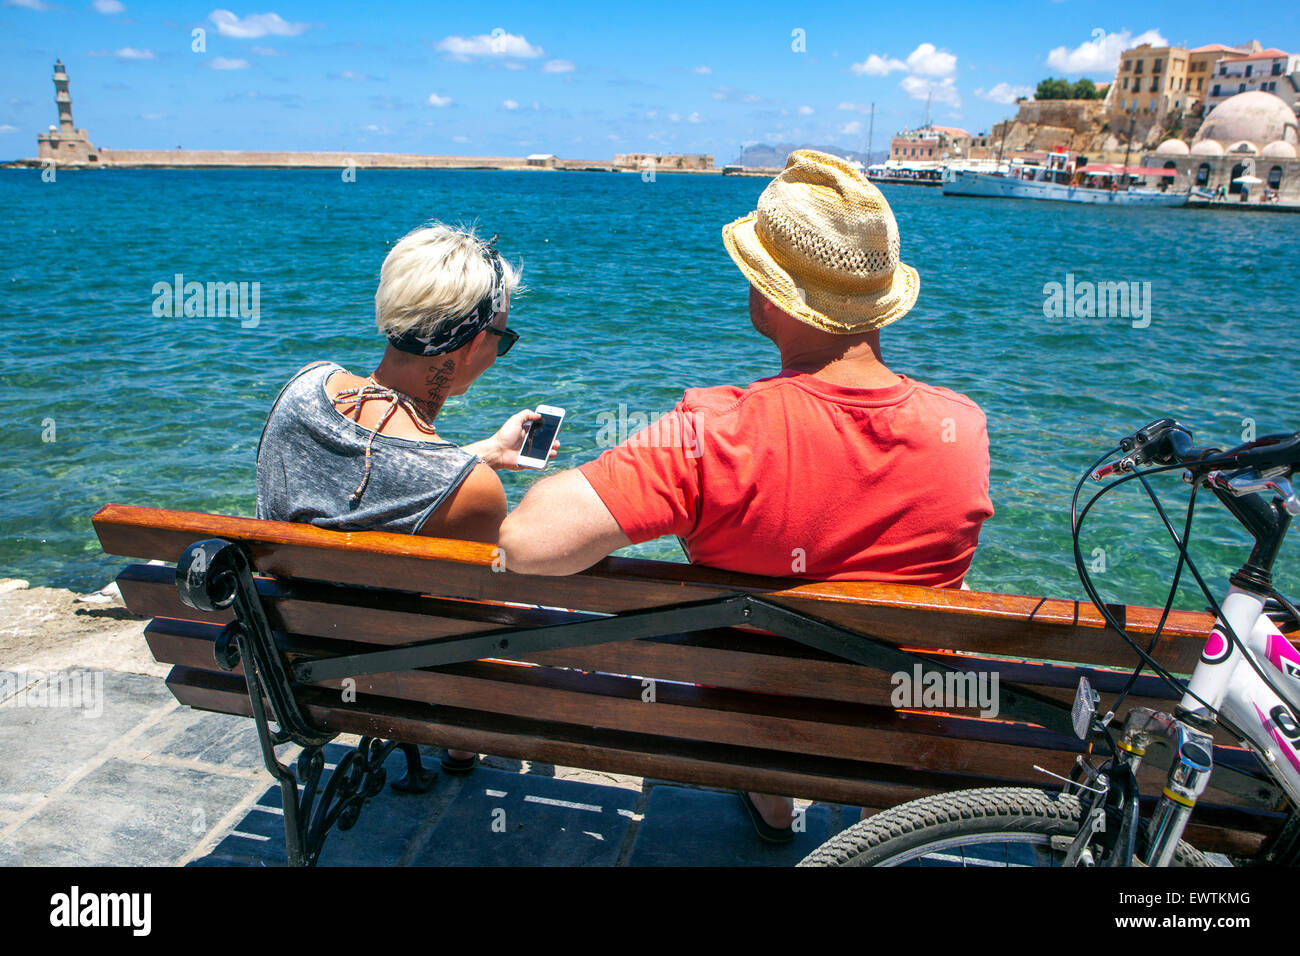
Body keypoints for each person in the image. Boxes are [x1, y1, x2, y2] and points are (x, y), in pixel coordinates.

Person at [497, 150, 994, 841]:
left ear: (766, 295)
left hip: (751, 721)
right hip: (902, 718)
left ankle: (770, 793)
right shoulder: (962, 429)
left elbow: (526, 545)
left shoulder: (713, 434)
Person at [256, 222, 557, 773]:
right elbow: (476, 620)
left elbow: (368, 482)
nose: (498, 354)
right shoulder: (472, 491)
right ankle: (460, 741)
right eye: (502, 339)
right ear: (469, 344)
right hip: (408, 688)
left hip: (290, 667)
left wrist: (482, 454)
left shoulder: (302, 389)